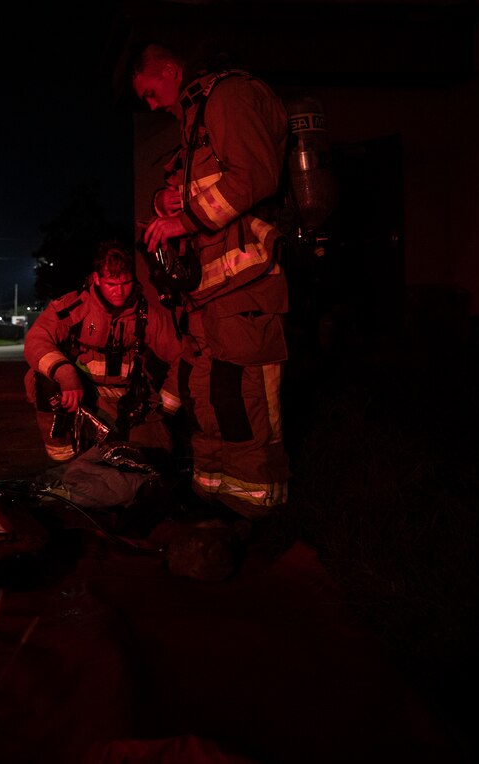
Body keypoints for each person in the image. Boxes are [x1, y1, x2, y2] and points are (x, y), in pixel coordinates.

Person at [129, 40, 292, 530]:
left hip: (248, 283)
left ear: (172, 70)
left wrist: (186, 221)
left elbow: (255, 177)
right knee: (208, 398)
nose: (150, 104)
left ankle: (255, 512)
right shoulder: (195, 119)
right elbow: (205, 186)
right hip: (213, 292)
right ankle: (214, 500)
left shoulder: (230, 97)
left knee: (244, 401)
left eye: (151, 91)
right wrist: (169, 205)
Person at [23, 241, 182, 463]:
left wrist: (165, 406)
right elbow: (36, 340)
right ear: (96, 279)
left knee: (157, 455)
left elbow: (182, 355)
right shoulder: (72, 307)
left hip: (128, 401)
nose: (120, 291)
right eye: (111, 284)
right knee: (43, 381)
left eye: (125, 283)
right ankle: (66, 461)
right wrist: (66, 374)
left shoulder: (146, 314)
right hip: (82, 397)